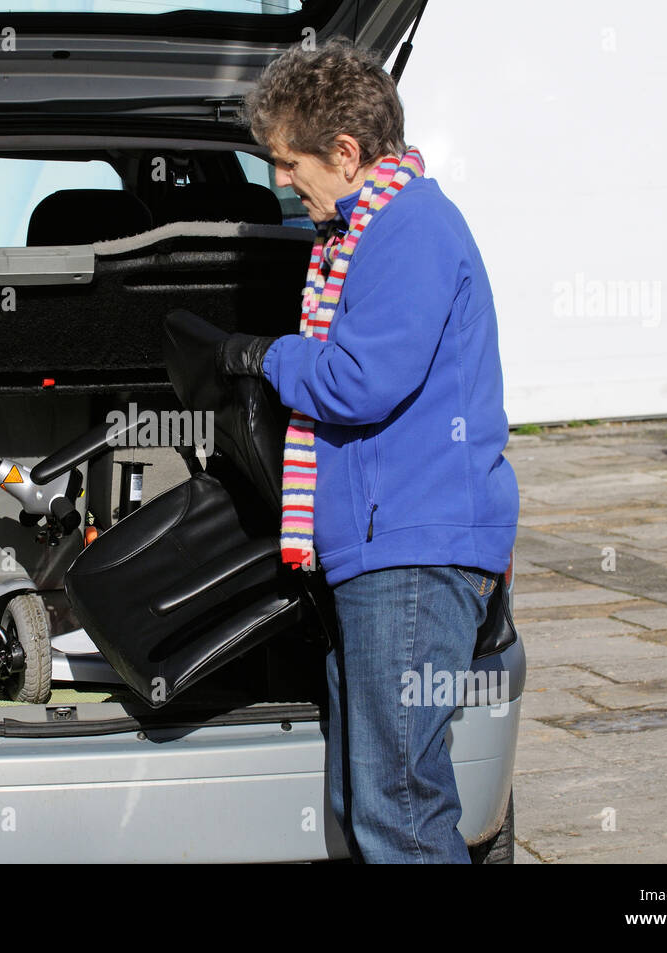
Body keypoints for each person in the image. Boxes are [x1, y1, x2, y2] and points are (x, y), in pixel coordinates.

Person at [220, 38, 519, 863]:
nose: (283, 181)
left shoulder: (409, 228)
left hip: (415, 556)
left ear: (345, 152)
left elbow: (361, 380)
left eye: (289, 162)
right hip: (384, 552)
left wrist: (262, 355)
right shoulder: (368, 227)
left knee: (399, 808)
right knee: (369, 801)